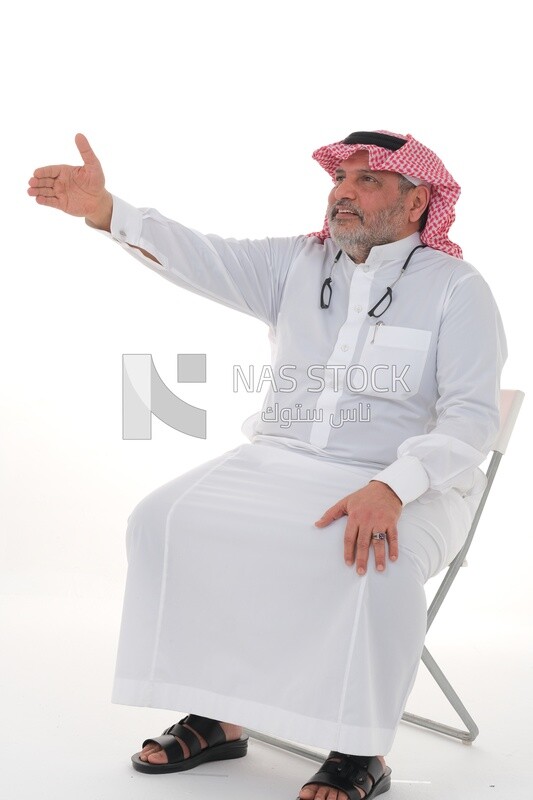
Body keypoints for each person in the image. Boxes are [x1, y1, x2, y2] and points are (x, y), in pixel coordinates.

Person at [28, 130, 506, 800]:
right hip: (281, 459)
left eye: (366, 180)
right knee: (165, 521)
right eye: (338, 179)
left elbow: (471, 419)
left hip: (409, 480)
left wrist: (392, 487)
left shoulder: (458, 288)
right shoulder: (298, 263)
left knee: (378, 562)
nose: (342, 192)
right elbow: (201, 257)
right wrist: (108, 210)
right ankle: (217, 715)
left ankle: (360, 748)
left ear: (417, 200)